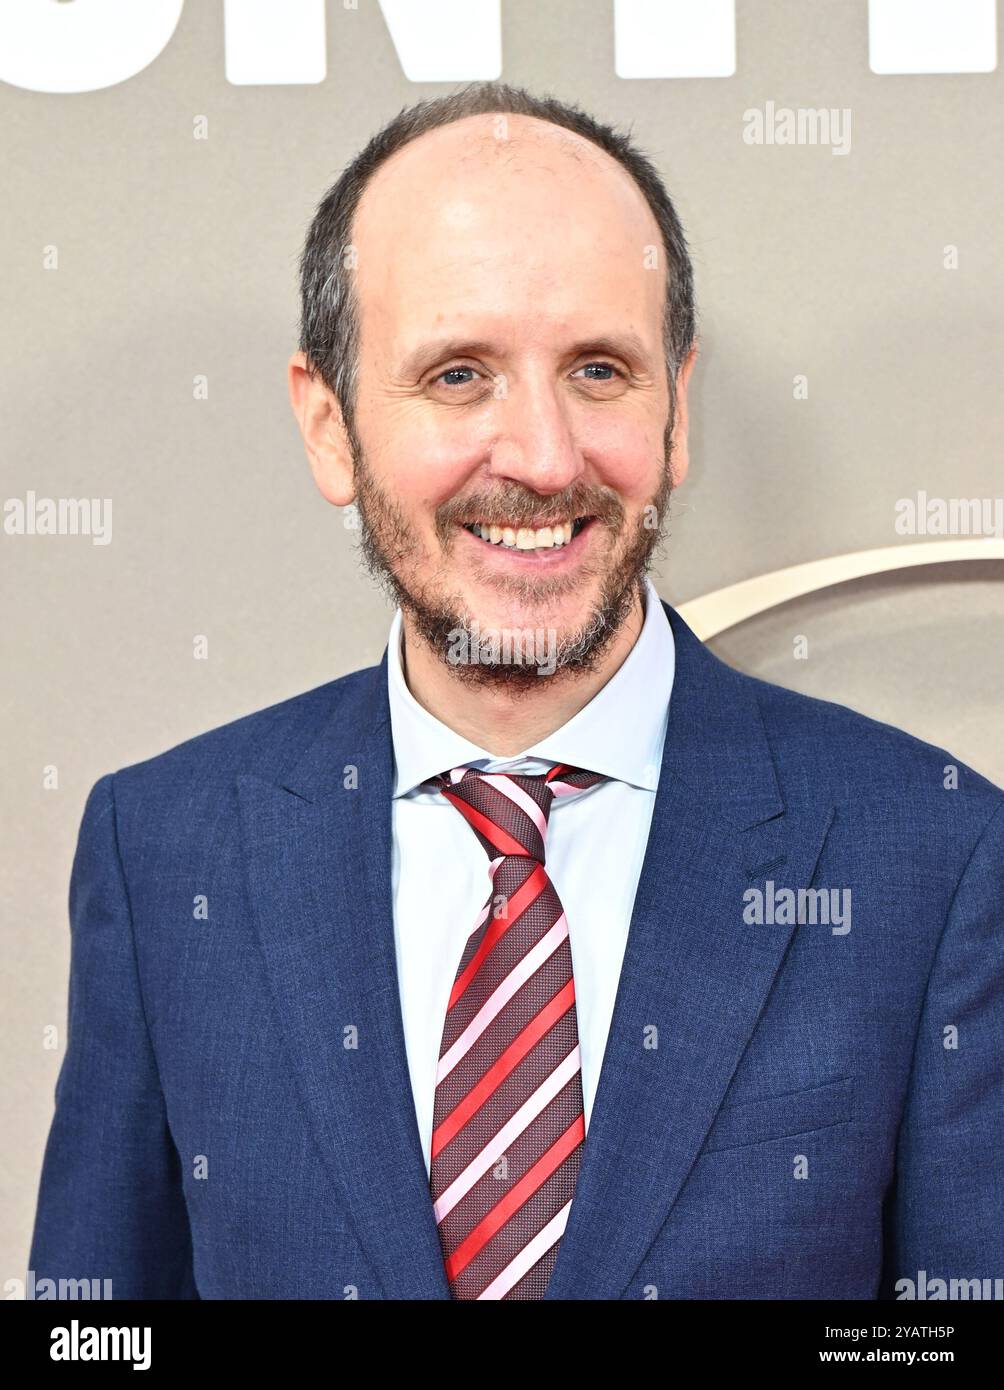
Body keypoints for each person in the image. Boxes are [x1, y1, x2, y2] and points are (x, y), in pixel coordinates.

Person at [29, 82, 1003, 1301]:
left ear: (675, 408)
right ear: (329, 426)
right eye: (456, 375)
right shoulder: (165, 849)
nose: (541, 457)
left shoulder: (933, 849)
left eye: (598, 369)